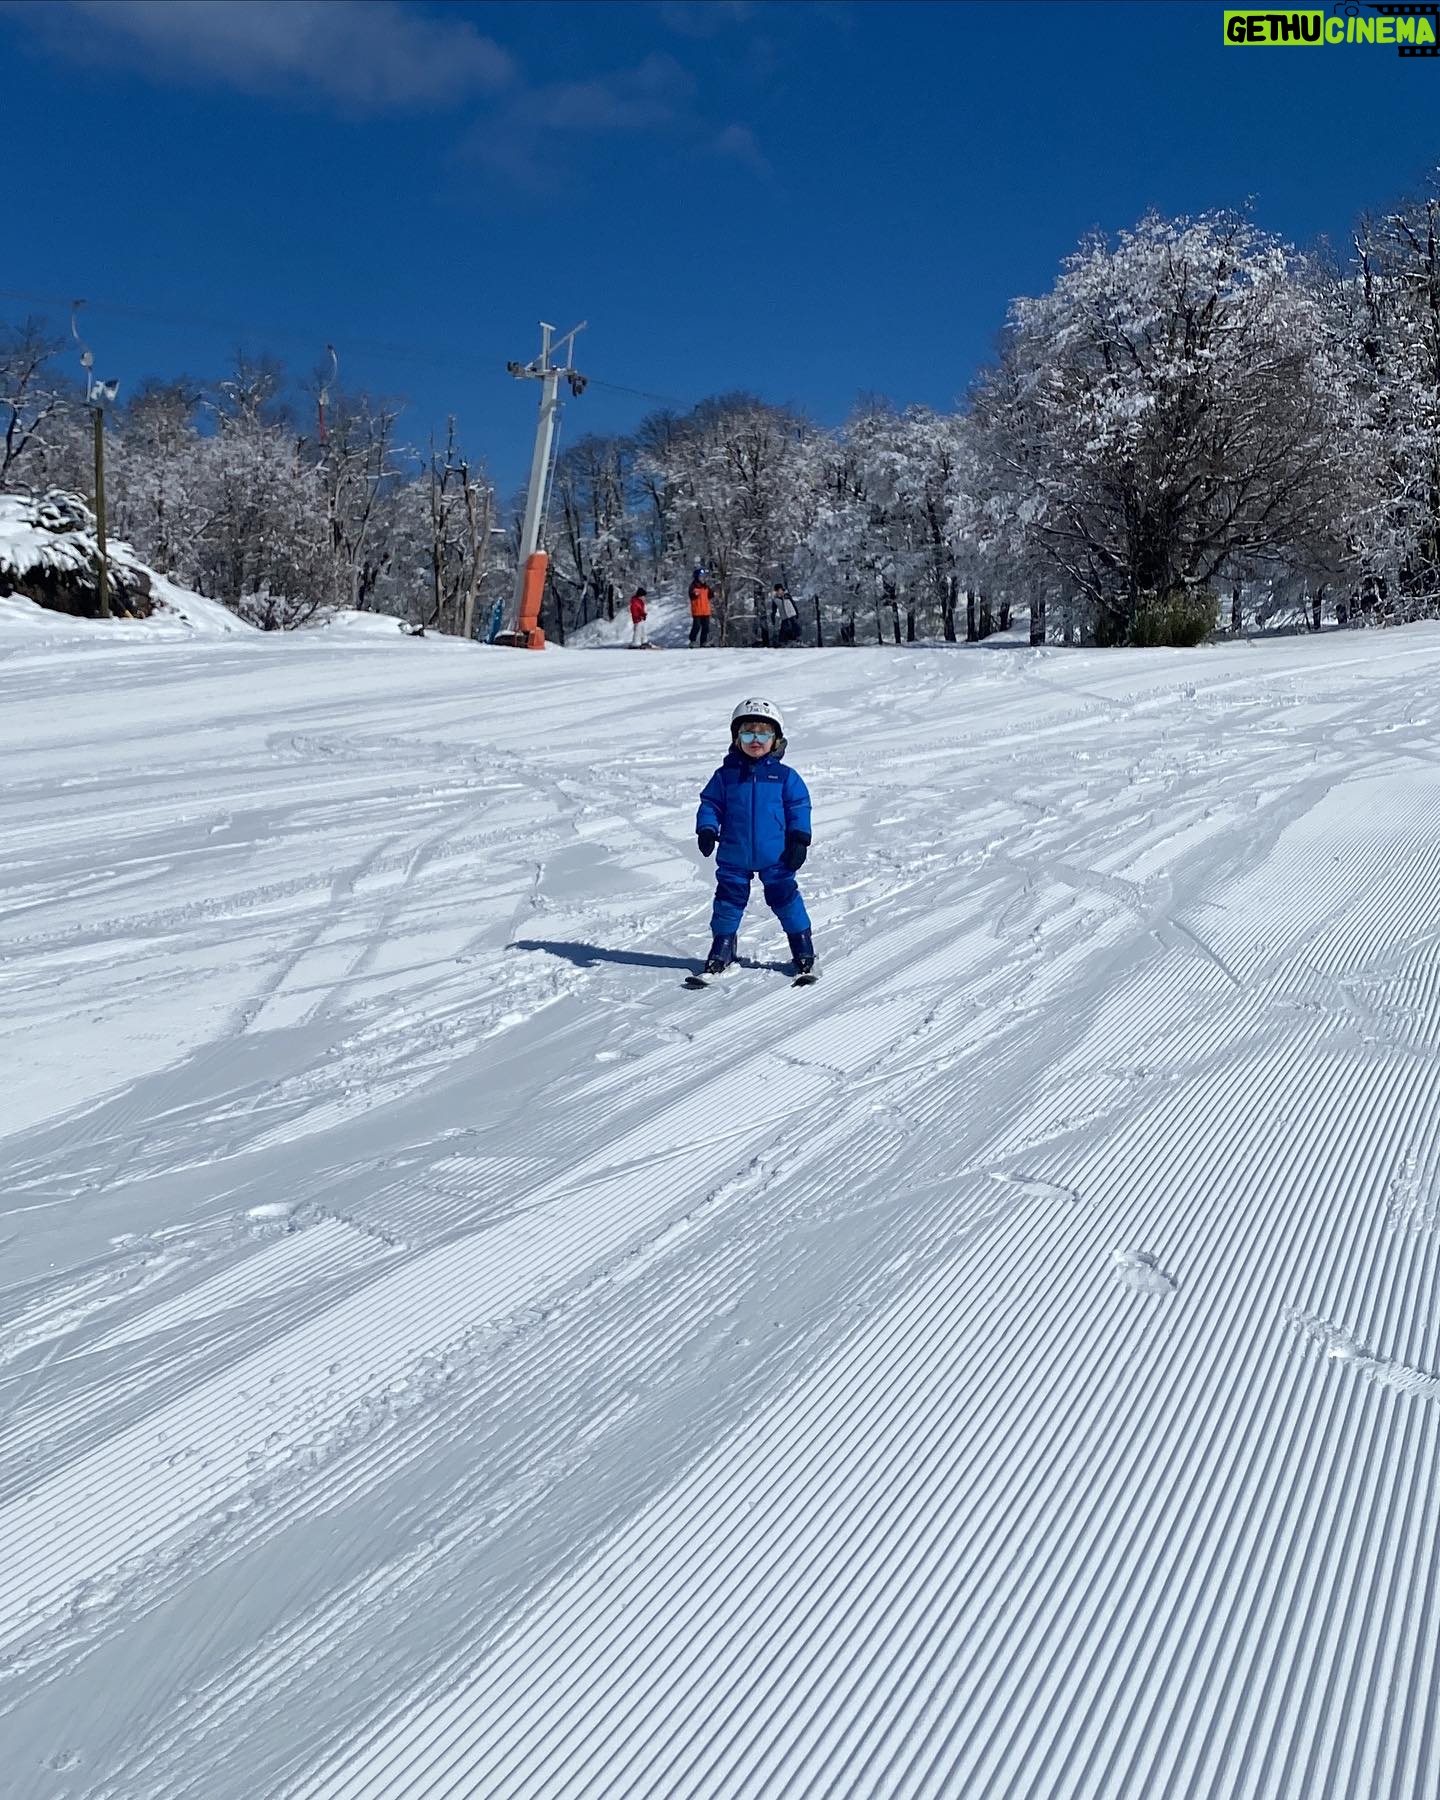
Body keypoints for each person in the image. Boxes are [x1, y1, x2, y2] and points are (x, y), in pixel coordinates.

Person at [694, 697, 815, 977]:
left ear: (776, 739)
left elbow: (799, 806)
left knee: (786, 900)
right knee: (727, 902)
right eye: (748, 733)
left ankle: (802, 947)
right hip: (734, 855)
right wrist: (707, 828)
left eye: (763, 733)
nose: (755, 740)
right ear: (737, 738)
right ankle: (723, 946)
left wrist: (799, 838)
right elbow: (711, 804)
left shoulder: (785, 777)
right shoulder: (725, 776)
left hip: (776, 855)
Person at [688, 567, 712, 647]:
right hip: (697, 611)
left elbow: (710, 595)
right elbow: (691, 596)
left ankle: (703, 642)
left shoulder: (706, 587)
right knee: (696, 626)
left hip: (706, 611)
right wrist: (694, 594)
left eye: (703, 577)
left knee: (706, 627)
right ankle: (693, 640)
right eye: (701, 577)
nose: (702, 579)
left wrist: (714, 593)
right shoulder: (693, 587)